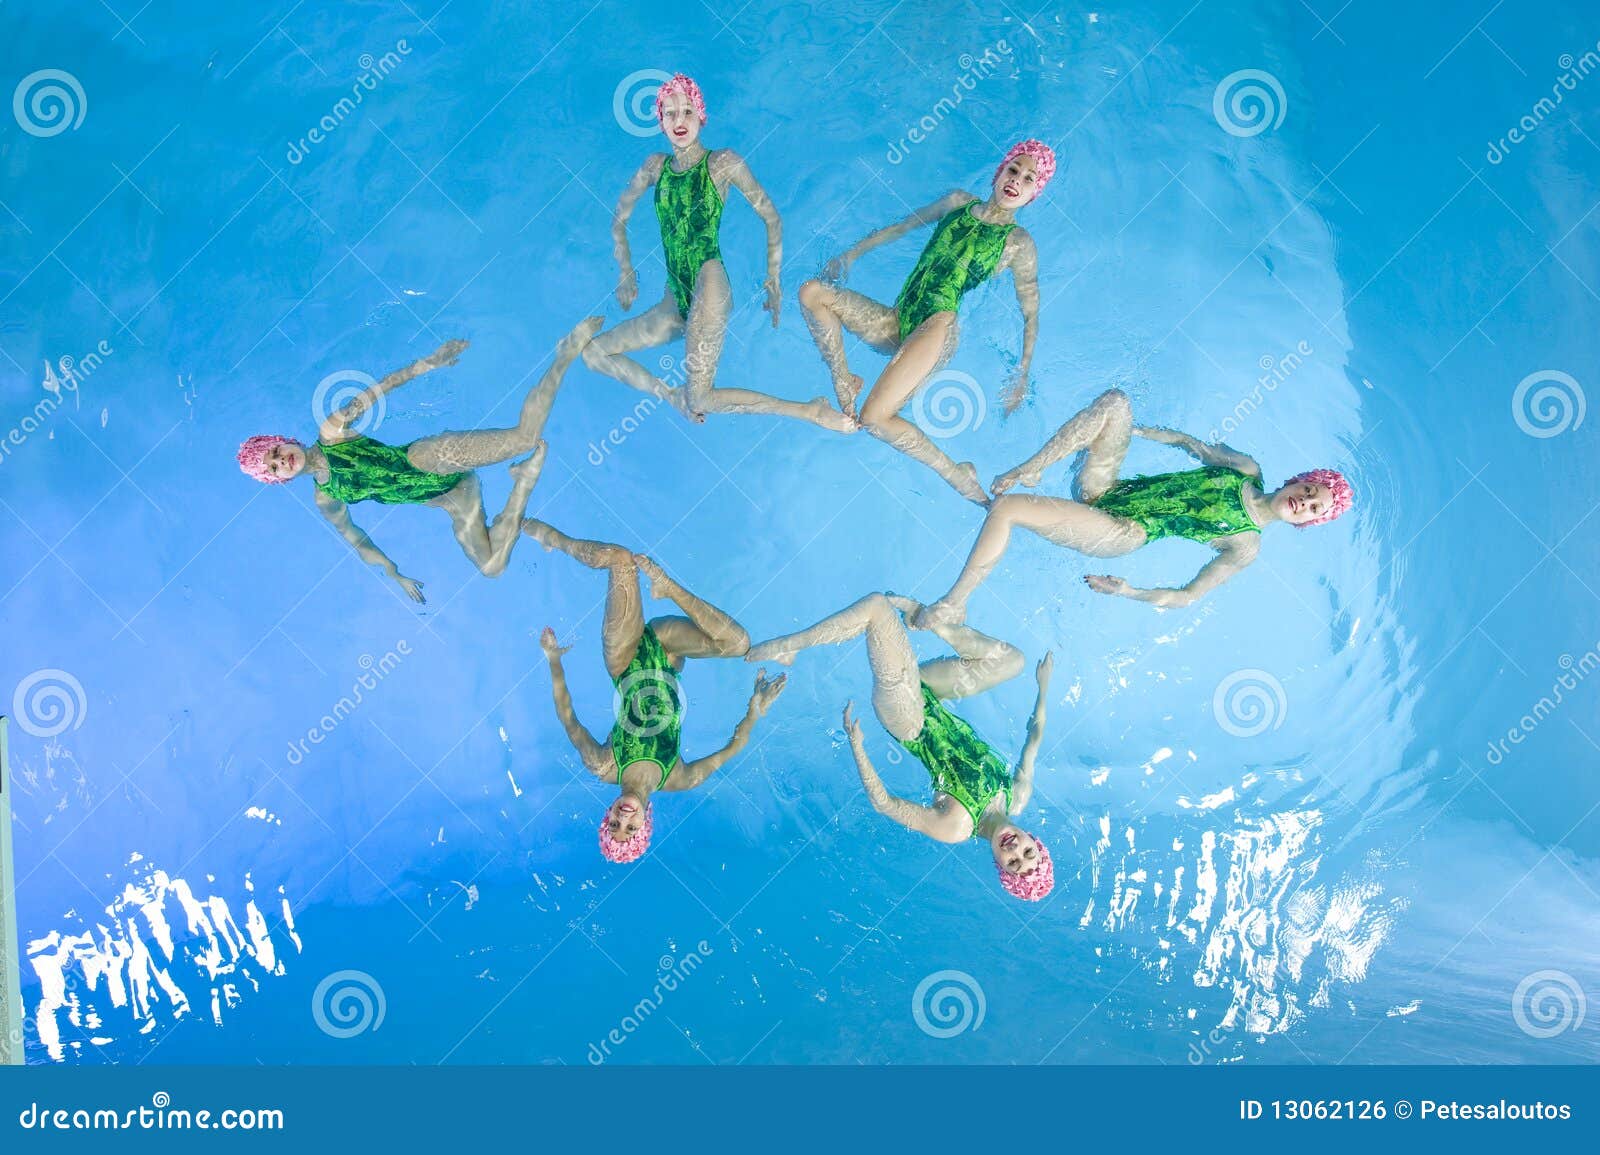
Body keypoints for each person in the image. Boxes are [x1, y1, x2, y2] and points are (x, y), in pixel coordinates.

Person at [235, 319, 599, 603]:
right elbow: (356, 539)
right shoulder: (325, 498)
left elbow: (376, 391)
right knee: (492, 567)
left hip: (429, 460)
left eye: (276, 451)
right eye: (274, 468)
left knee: (525, 438)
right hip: (448, 496)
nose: (282, 460)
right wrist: (393, 572)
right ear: (280, 479)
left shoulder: (331, 432)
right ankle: (523, 481)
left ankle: (565, 352)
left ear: (282, 441)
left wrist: (428, 363)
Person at [916, 388, 1354, 622]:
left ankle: (954, 604)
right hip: (1109, 491)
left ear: (1306, 523)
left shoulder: (1245, 544)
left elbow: (1188, 597)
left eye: (1314, 509)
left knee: (1008, 510)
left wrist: (1128, 591)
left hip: (1122, 531)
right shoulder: (1245, 467)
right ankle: (1030, 468)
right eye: (1310, 491)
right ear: (1299, 480)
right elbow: (1189, 444)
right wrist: (1131, 431)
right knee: (1116, 402)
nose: (1304, 502)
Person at [584, 72, 853, 432]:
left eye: (687, 111)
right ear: (660, 121)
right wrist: (625, 270)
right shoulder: (654, 167)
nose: (680, 121)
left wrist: (773, 278)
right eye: (670, 113)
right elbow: (619, 219)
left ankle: (810, 410)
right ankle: (671, 396)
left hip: (709, 281)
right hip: (675, 298)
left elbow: (771, 217)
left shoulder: (722, 163)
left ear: (701, 115)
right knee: (593, 353)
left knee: (701, 398)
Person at [747, 593, 1055, 901]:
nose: (1015, 850)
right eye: (1028, 852)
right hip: (933, 692)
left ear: (1000, 866)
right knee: (1012, 661)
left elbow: (885, 805)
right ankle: (927, 617)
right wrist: (1043, 688)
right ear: (1034, 841)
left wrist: (857, 746)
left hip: (909, 719)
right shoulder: (1017, 796)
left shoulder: (955, 828)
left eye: (1013, 863)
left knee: (877, 608)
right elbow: (1035, 737)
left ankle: (791, 646)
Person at [796, 140, 1053, 503]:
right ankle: (843, 377)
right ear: (1000, 172)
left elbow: (1030, 309)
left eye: (1029, 179)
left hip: (937, 325)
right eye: (1013, 170)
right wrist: (851, 254)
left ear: (1033, 195)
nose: (1016, 181)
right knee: (811, 292)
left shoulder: (1018, 242)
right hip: (898, 319)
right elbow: (902, 227)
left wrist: (1022, 371)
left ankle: (957, 472)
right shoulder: (957, 202)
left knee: (874, 418)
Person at [531, 523, 787, 863]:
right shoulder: (679, 778)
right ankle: (666, 588)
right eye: (631, 828)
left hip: (625, 659)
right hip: (668, 654)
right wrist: (756, 709)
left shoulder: (603, 765)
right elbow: (732, 748)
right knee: (738, 644)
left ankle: (553, 539)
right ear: (645, 824)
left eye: (614, 824)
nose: (624, 818)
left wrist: (553, 660)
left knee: (620, 559)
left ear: (606, 815)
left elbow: (568, 717)